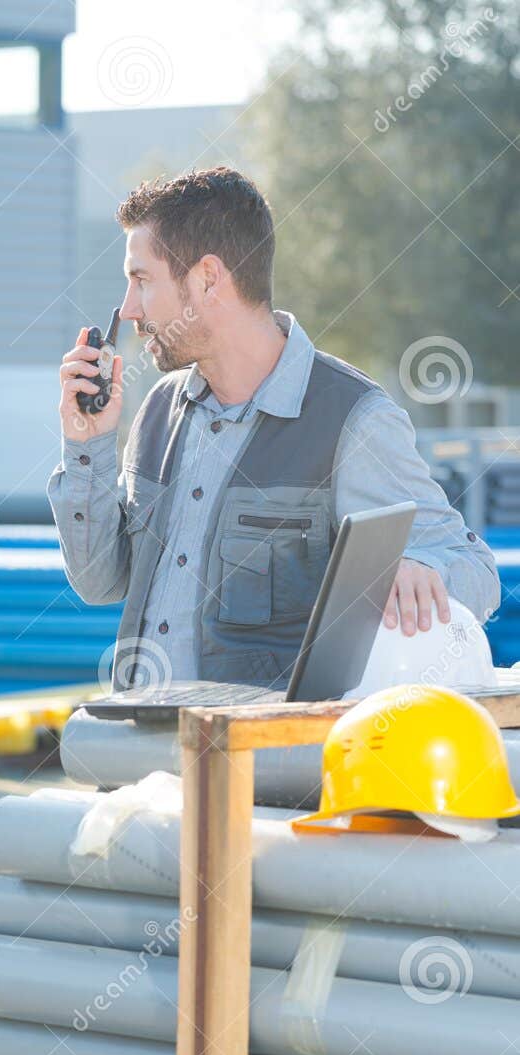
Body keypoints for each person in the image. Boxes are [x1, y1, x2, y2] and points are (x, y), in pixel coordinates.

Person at [50, 166, 500, 691]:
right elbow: (99, 581)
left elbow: (475, 568)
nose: (127, 310)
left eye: (141, 280)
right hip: (145, 756)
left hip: (264, 764)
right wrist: (87, 444)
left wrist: (426, 569)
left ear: (208, 279)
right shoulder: (158, 411)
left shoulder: (352, 420)